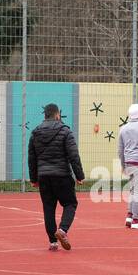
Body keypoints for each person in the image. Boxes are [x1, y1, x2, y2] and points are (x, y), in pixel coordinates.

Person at [29, 103, 84, 251]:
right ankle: (62, 230)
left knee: (48, 208)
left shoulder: (35, 133)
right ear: (58, 115)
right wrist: (79, 175)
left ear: (45, 115)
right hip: (62, 175)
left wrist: (33, 178)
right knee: (70, 204)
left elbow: (32, 158)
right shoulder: (65, 131)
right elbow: (74, 155)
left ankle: (53, 242)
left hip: (44, 176)